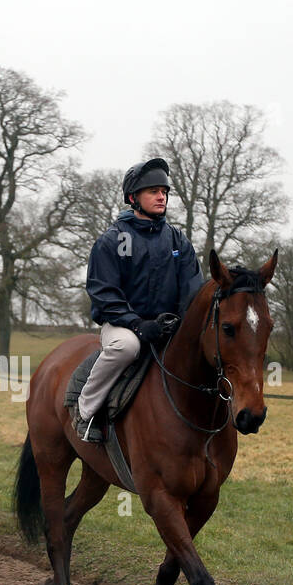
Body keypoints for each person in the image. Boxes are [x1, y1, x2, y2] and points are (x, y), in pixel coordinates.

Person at [73, 158, 203, 443]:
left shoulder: (177, 240)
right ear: (133, 198)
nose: (161, 197)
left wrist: (180, 321)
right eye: (153, 191)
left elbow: (193, 287)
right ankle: (85, 412)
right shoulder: (111, 240)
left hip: (167, 327)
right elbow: (104, 293)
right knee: (125, 347)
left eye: (164, 192)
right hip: (122, 326)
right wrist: (138, 325)